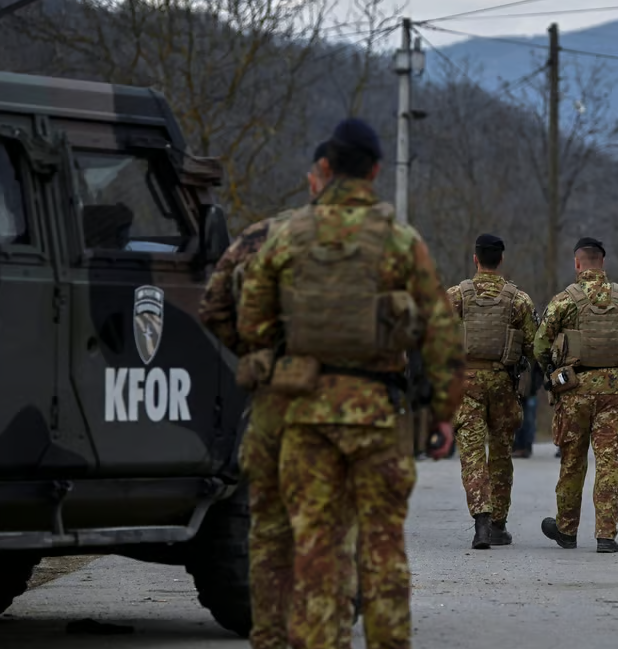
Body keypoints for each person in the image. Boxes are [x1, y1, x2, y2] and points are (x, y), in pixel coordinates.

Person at [237, 117, 464, 649]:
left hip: (305, 419)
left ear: (325, 166)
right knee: (383, 552)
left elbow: (251, 324)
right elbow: (441, 333)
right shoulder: (399, 240)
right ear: (377, 171)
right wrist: (443, 414)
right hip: (377, 418)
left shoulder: (287, 236)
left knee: (315, 553)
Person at [198, 141, 349, 649]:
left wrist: (255, 356)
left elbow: (213, 306)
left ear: (313, 179)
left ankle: (270, 628)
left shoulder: (263, 236)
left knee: (266, 521)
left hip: (275, 401)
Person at [534, 237, 618, 553]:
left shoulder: (564, 300)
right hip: (614, 391)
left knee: (572, 461)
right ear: (603, 262)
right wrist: (615, 368)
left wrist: (554, 371)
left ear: (577, 263)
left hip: (574, 390)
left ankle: (566, 530)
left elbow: (540, 345)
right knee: (608, 462)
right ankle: (606, 535)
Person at [445, 234, 537, 549]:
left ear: (475, 259)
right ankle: (498, 524)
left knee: (471, 453)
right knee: (501, 454)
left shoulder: (455, 296)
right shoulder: (518, 300)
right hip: (502, 384)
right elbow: (534, 345)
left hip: (466, 383)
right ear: (501, 259)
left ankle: (481, 522)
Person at [513, 361, 543, 458]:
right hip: (516, 393)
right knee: (516, 420)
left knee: (529, 421)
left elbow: (540, 372)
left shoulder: (533, 358)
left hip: (530, 393)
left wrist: (535, 386)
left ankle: (526, 447)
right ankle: (517, 446)